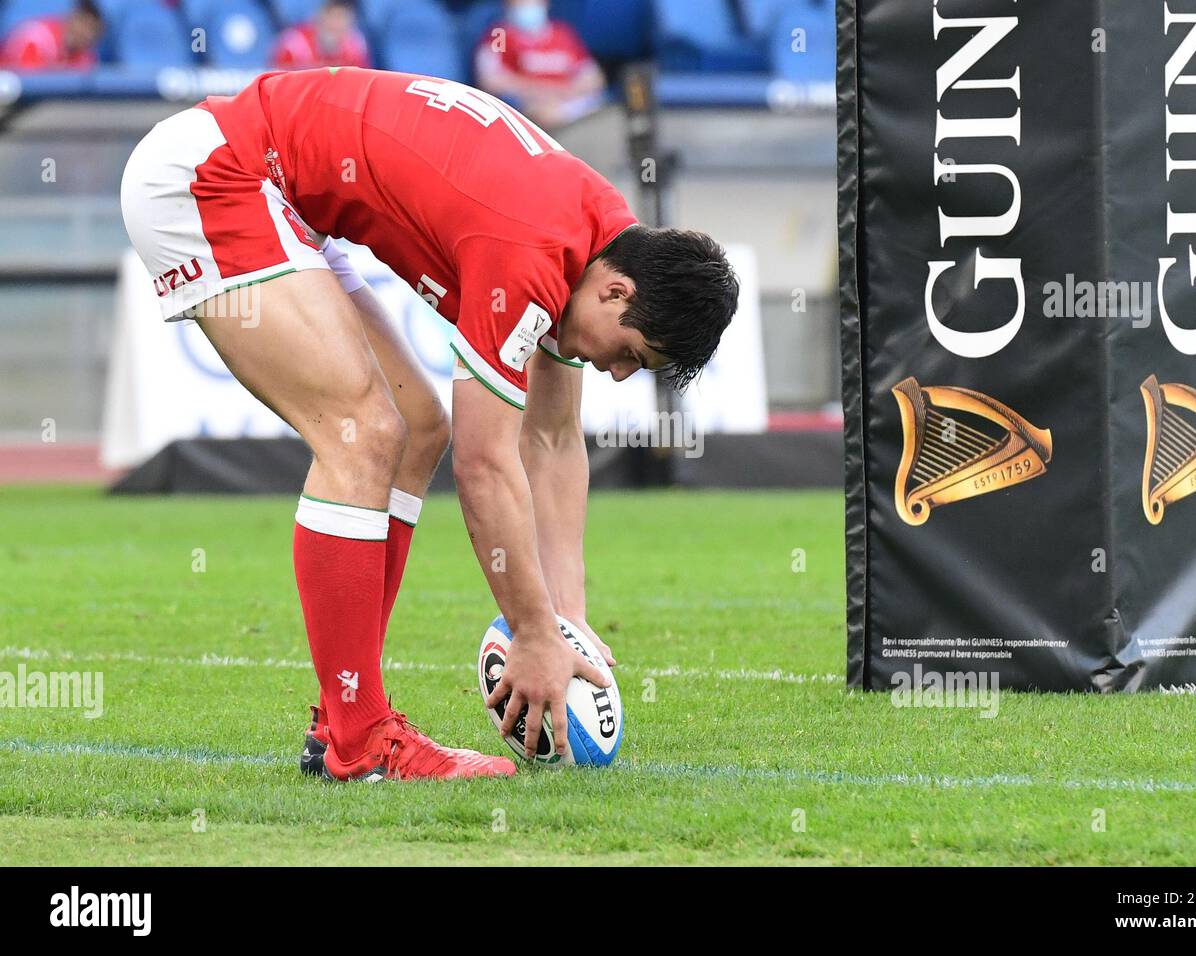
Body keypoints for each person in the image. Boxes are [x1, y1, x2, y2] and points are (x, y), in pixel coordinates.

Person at [120, 67, 738, 782]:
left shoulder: (595, 237)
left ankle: (341, 725)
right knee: (363, 431)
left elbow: (553, 438)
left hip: (273, 192)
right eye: (631, 354)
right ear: (617, 290)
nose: (620, 374)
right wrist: (532, 633)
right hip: (212, 175)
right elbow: (487, 464)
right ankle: (358, 739)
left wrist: (565, 621)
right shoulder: (531, 246)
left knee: (417, 430)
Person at [475, 0, 606, 129]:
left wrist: (563, 92)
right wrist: (538, 91)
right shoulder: (500, 34)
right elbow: (490, 81)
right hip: (528, 106)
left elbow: (594, 79)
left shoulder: (562, 33)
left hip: (569, 103)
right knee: (545, 115)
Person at [0, 0, 103, 72]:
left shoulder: (84, 54)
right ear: (72, 18)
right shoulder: (36, 38)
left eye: (92, 30)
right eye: (83, 25)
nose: (86, 34)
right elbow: (28, 82)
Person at [271, 0, 370, 71]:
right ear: (321, 16)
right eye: (334, 17)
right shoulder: (294, 43)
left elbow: (360, 81)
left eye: (343, 19)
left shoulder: (355, 44)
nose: (337, 25)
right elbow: (278, 80)